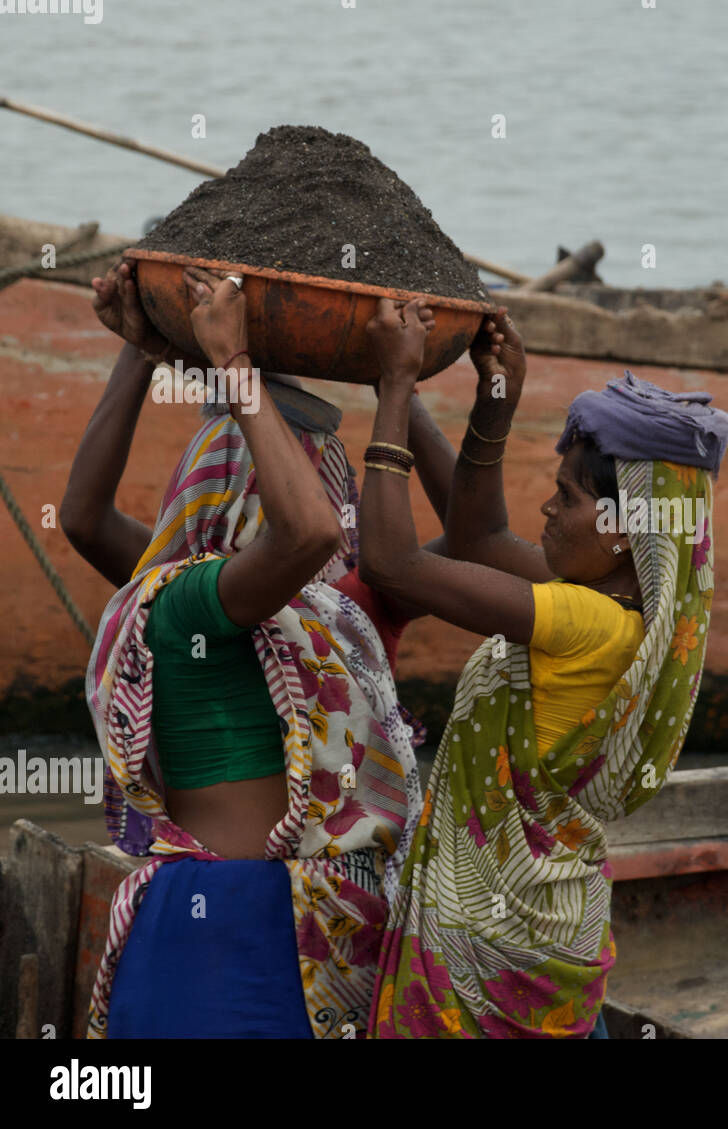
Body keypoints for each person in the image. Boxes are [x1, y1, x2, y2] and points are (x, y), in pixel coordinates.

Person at [66, 262, 450, 1037]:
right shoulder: (182, 607)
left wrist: (398, 386)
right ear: (250, 491)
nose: (337, 503)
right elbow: (304, 532)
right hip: (240, 944)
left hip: (257, 938)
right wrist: (234, 371)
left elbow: (468, 540)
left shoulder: (336, 617)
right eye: (321, 475)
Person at [359, 298, 728, 1038]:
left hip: (493, 962)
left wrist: (397, 389)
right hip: (541, 941)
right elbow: (477, 533)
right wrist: (494, 397)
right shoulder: (593, 604)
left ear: (625, 532)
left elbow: (394, 564)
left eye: (567, 496)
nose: (547, 508)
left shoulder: (584, 622)